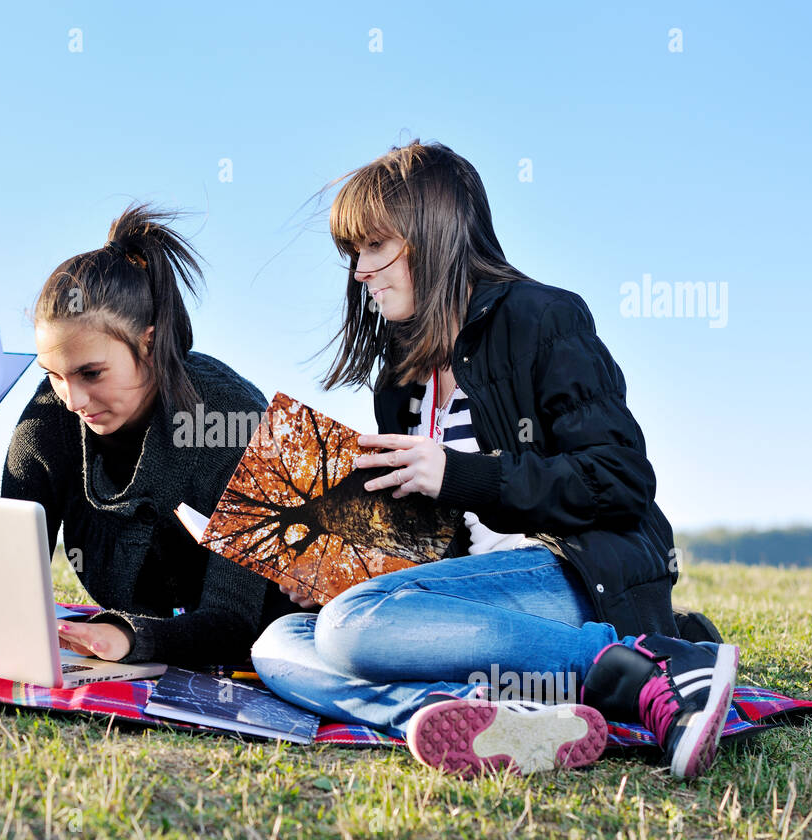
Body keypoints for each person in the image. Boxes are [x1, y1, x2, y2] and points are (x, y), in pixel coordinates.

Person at [251, 141, 739, 779]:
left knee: (351, 628)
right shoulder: (399, 377)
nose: (360, 271)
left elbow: (620, 480)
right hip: (470, 598)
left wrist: (460, 476)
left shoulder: (543, 318)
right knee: (282, 640)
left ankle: (634, 664)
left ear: (433, 232)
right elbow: (433, 543)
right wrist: (333, 561)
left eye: (374, 247)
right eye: (353, 254)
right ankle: (462, 719)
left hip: (569, 574)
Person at [0, 204, 290, 667]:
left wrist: (131, 637)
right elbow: (10, 572)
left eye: (91, 373)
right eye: (54, 374)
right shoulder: (49, 415)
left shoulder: (236, 421)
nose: (72, 398)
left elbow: (235, 622)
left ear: (150, 344)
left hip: (280, 628)